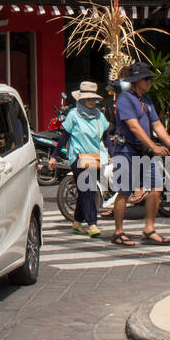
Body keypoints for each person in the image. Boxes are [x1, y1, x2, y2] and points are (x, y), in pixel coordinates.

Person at [110, 60, 170, 247]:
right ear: (136, 81)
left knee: (156, 187)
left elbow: (157, 124)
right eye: (146, 79)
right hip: (126, 149)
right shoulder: (125, 99)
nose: (149, 82)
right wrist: (154, 147)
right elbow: (134, 127)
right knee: (124, 192)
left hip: (144, 151)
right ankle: (118, 232)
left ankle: (149, 229)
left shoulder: (147, 100)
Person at [49, 81, 110, 237]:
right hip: (78, 157)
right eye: (88, 98)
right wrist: (54, 156)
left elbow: (106, 135)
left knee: (86, 191)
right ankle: (92, 223)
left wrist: (112, 153)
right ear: (81, 99)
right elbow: (65, 136)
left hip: (95, 157)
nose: (91, 101)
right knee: (87, 190)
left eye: (93, 99)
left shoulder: (99, 115)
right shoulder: (73, 115)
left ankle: (77, 223)